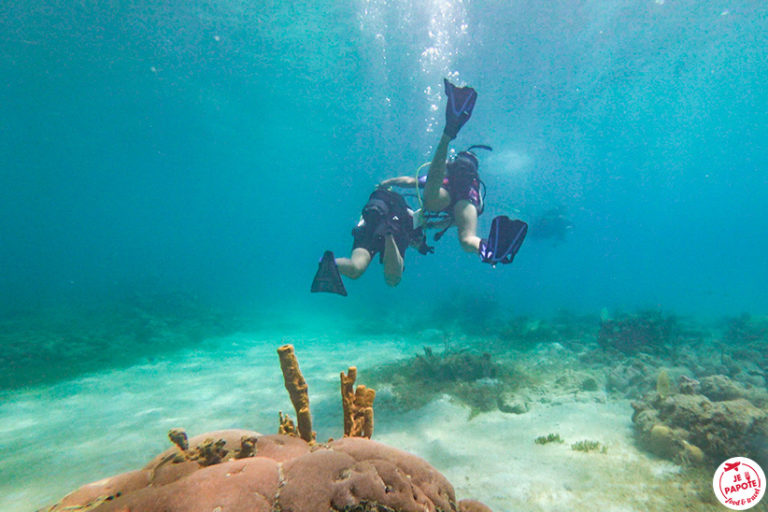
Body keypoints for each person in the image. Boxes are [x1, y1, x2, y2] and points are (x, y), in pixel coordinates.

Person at [384, 79, 528, 266]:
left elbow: (410, 181)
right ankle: (490, 250)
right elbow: (456, 219)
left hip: (448, 195)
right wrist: (435, 225)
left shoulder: (448, 173)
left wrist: (388, 182)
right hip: (469, 198)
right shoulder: (473, 181)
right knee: (467, 239)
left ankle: (448, 133)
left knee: (430, 198)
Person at [311, 186, 433, 296]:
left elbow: (362, 221)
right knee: (393, 279)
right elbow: (418, 223)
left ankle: (331, 263)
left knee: (356, 268)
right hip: (393, 228)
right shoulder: (403, 208)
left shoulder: (376, 207)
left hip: (368, 228)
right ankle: (388, 236)